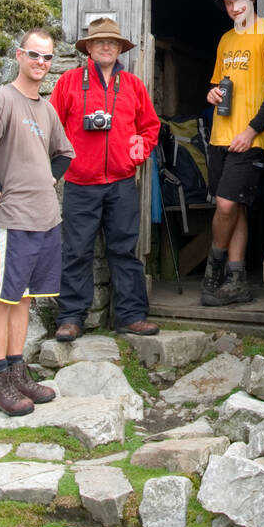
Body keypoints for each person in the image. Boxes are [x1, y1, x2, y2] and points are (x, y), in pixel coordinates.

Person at [0, 29, 75, 415]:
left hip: (46, 218)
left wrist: (46, 178)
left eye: (46, 57)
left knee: (23, 298)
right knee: (1, 297)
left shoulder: (46, 109)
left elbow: (65, 153)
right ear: (19, 56)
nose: (41, 63)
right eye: (34, 55)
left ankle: (18, 372)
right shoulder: (1, 100)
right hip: (12, 220)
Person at [49, 17, 161, 341]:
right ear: (90, 47)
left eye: (112, 42)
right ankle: (71, 317)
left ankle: (131, 316)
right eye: (100, 42)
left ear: (119, 48)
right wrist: (60, 162)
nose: (107, 46)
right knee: (76, 251)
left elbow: (149, 127)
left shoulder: (134, 85)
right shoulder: (69, 82)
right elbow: (51, 126)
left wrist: (136, 153)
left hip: (122, 183)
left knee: (125, 250)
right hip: (80, 183)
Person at [202, 0, 264, 306]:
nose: (233, 8)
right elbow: (216, 86)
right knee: (237, 208)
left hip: (249, 139)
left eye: (239, 1)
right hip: (219, 136)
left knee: (226, 205)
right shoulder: (224, 39)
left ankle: (213, 267)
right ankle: (237, 278)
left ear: (252, 0)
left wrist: (251, 131)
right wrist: (211, 93)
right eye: (228, 3)